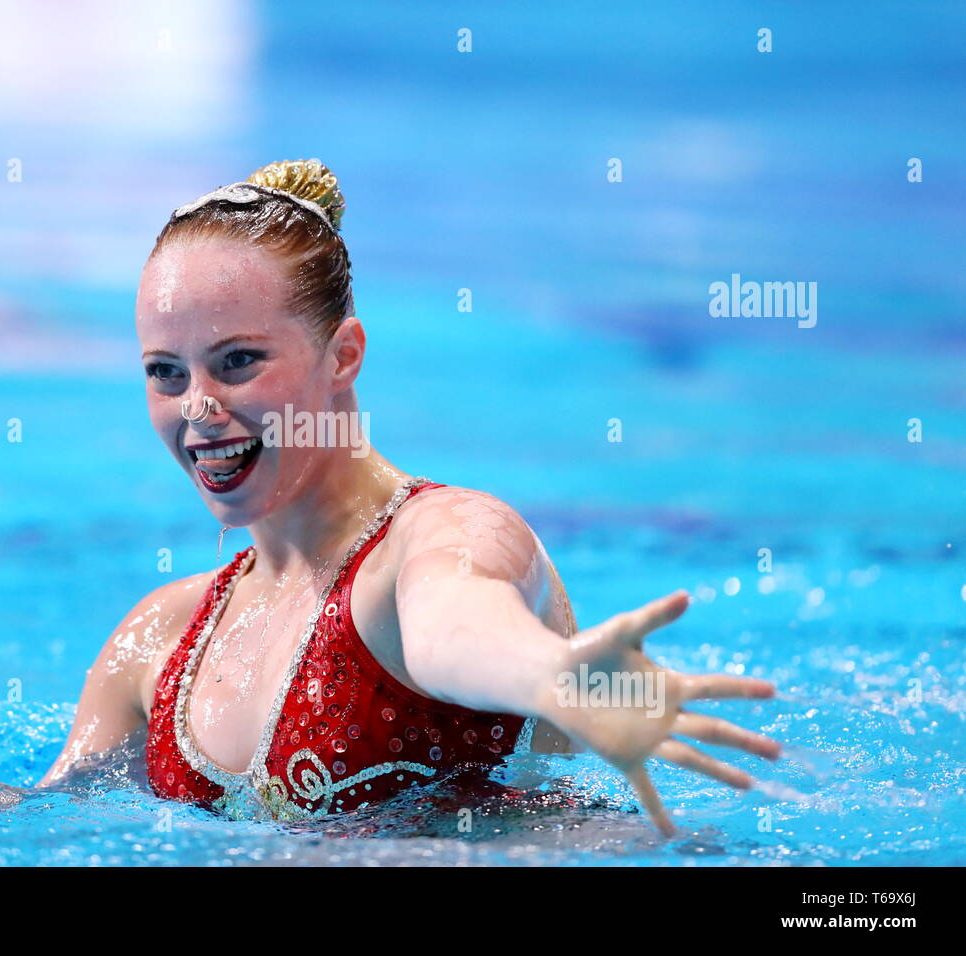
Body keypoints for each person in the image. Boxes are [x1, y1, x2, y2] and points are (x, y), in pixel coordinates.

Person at [39, 158, 782, 835]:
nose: (197, 407)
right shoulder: (161, 641)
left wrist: (554, 678)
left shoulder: (441, 539)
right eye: (166, 373)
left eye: (238, 362)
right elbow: (43, 824)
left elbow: (454, 627)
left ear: (345, 354)